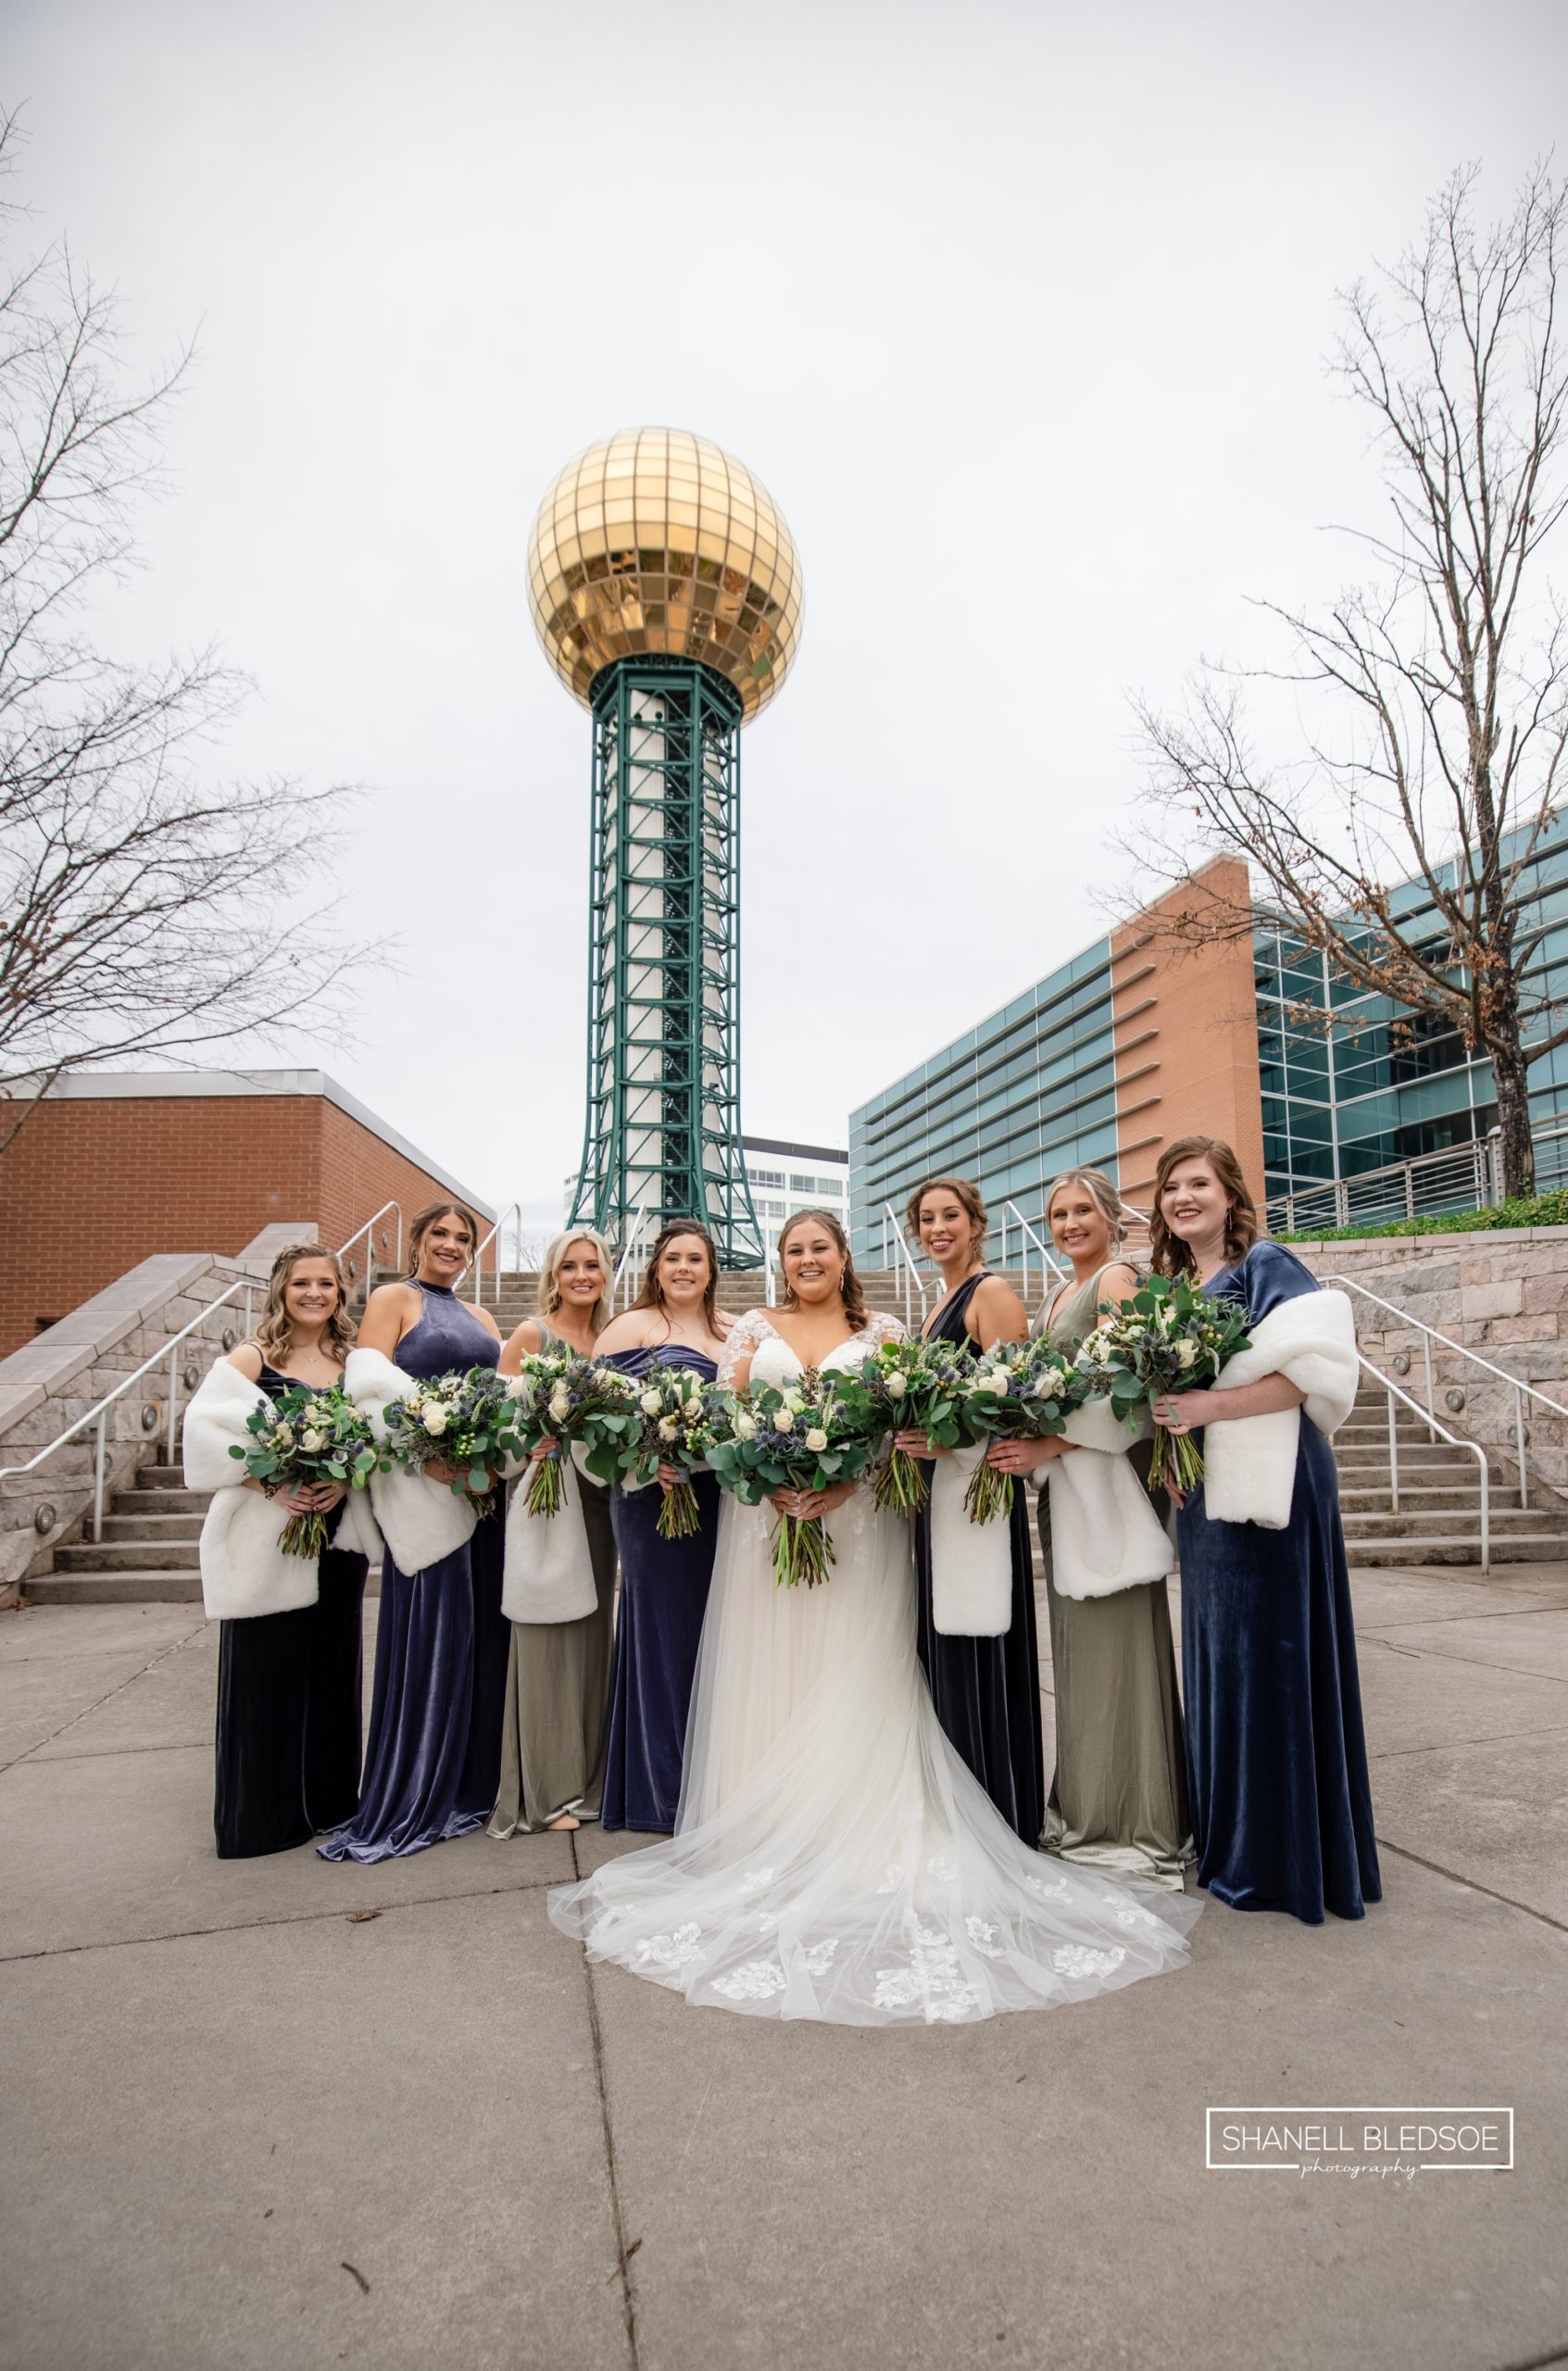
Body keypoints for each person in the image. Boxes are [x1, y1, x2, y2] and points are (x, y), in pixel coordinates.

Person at [547, 1208, 1200, 2026]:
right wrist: (766, 1482)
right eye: (794, 1250)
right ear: (780, 1263)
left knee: (859, 1666)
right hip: (768, 1525)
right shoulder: (751, 1327)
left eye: (820, 1247)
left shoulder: (885, 1328)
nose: (807, 1259)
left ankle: (861, 1816)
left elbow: (897, 1429)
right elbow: (726, 1423)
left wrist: (843, 1483)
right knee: (774, 1663)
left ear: (843, 1255)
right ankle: (774, 1817)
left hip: (860, 1526)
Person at [1148, 1135, 1379, 1924]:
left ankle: (1278, 1861)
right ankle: (1230, 1842)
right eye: (1172, 1187)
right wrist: (1175, 1441)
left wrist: (1205, 1409)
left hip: (1275, 1488)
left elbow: (1316, 1367)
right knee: (1222, 1658)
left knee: (1270, 1654)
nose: (1183, 1197)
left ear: (1229, 1193)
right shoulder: (1174, 1290)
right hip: (1210, 1495)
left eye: (1198, 1184)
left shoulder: (1265, 1265)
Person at [987, 1170, 1192, 1888]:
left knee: (1119, 1652)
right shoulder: (1056, 1296)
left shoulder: (1116, 1282)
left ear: (1111, 1218)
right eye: (1057, 1213)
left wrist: (1048, 1447)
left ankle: (1134, 1823)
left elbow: (1128, 1394)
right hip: (1069, 1497)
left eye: (1081, 1211)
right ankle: (1086, 1807)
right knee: (1078, 1657)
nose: (1069, 1223)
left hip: (1109, 1494)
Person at [321, 1200, 507, 1863]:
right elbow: (367, 1390)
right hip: (422, 1489)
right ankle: (417, 1787)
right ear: (418, 1240)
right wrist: (428, 1458)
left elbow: (501, 1394)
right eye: (441, 1236)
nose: (452, 1246)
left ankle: (473, 1783)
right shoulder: (395, 1298)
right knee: (432, 1635)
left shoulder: (484, 1316)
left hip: (483, 1496)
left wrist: (490, 1458)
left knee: (484, 1636)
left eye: (463, 1238)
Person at [184, 1242, 373, 1858]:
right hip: (271, 1536)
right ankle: (263, 1818)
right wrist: (270, 1482)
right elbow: (204, 1430)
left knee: (331, 1668)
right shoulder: (254, 1357)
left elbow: (378, 1441)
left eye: (326, 1283)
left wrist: (346, 1476)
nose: (315, 1293)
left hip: (338, 1537)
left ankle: (329, 1804)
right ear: (281, 1291)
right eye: (302, 1284)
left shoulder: (353, 1361)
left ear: (340, 1294)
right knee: (266, 1671)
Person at [892, 1177, 1044, 1844]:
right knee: (946, 1646)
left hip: (979, 1499)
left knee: (980, 1641)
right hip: (941, 1500)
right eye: (925, 1219)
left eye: (949, 1215)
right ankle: (959, 1800)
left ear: (975, 1221)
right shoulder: (938, 1304)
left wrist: (945, 1439)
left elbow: (1016, 1405)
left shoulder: (991, 1294)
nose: (936, 1228)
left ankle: (996, 1807)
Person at [593, 1221, 731, 1832]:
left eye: (694, 1259)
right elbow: (598, 1412)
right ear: (655, 1267)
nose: (683, 1268)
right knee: (664, 1634)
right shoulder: (630, 1326)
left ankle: (715, 1779)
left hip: (721, 1497)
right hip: (653, 1498)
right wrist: (654, 1452)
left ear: (709, 1268)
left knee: (715, 1635)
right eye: (672, 1258)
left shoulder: (729, 1331)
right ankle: (660, 1790)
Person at [488, 1228, 618, 1838]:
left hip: (601, 1505)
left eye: (592, 1265)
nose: (582, 1275)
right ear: (553, 1274)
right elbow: (496, 1431)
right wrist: (529, 1442)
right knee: (546, 1640)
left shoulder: (609, 1339)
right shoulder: (531, 1335)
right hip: (546, 1502)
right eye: (570, 1266)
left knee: (593, 1640)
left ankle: (590, 1779)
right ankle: (547, 1790)